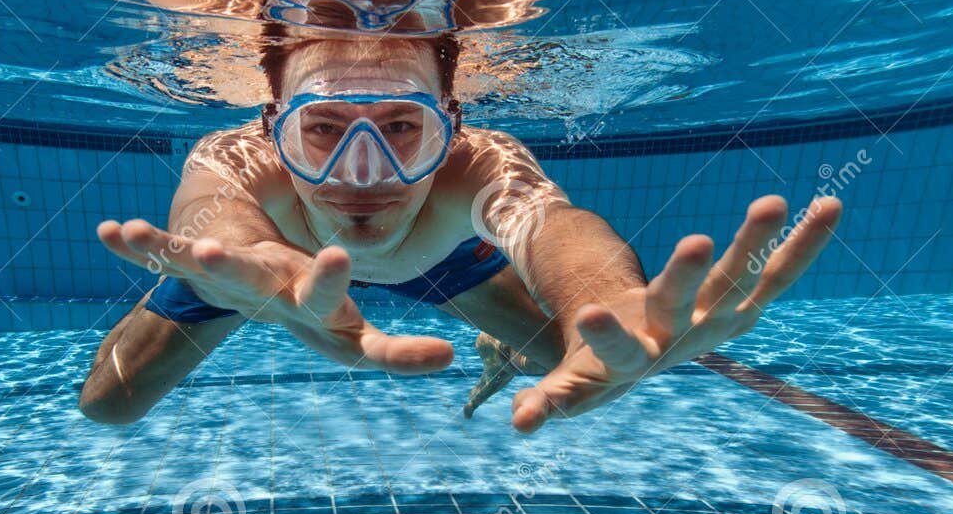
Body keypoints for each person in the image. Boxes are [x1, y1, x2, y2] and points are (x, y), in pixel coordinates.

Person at [80, 30, 842, 429]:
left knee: (580, 357)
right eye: (324, 129)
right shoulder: (235, 156)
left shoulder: (480, 162)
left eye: (402, 128)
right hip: (262, 279)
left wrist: (605, 295)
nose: (364, 175)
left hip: (436, 257)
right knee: (108, 405)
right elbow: (214, 208)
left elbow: (551, 225)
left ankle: (499, 345)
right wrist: (239, 261)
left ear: (450, 126)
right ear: (271, 126)